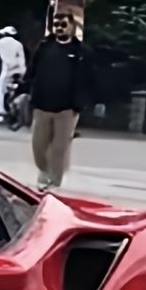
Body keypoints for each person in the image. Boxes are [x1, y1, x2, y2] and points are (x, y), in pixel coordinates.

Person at [27, 13, 100, 187]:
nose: (59, 27)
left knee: (59, 148)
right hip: (42, 104)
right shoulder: (44, 48)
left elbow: (90, 79)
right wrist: (29, 92)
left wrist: (81, 103)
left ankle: (54, 180)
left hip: (67, 108)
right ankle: (44, 169)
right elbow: (33, 71)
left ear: (72, 27)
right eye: (56, 24)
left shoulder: (81, 52)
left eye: (63, 24)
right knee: (38, 144)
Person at [0, 25, 27, 126]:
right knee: (11, 92)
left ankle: (0, 112)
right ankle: (12, 114)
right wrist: (22, 74)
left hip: (2, 70)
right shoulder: (18, 45)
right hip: (14, 72)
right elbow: (21, 61)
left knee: (0, 91)